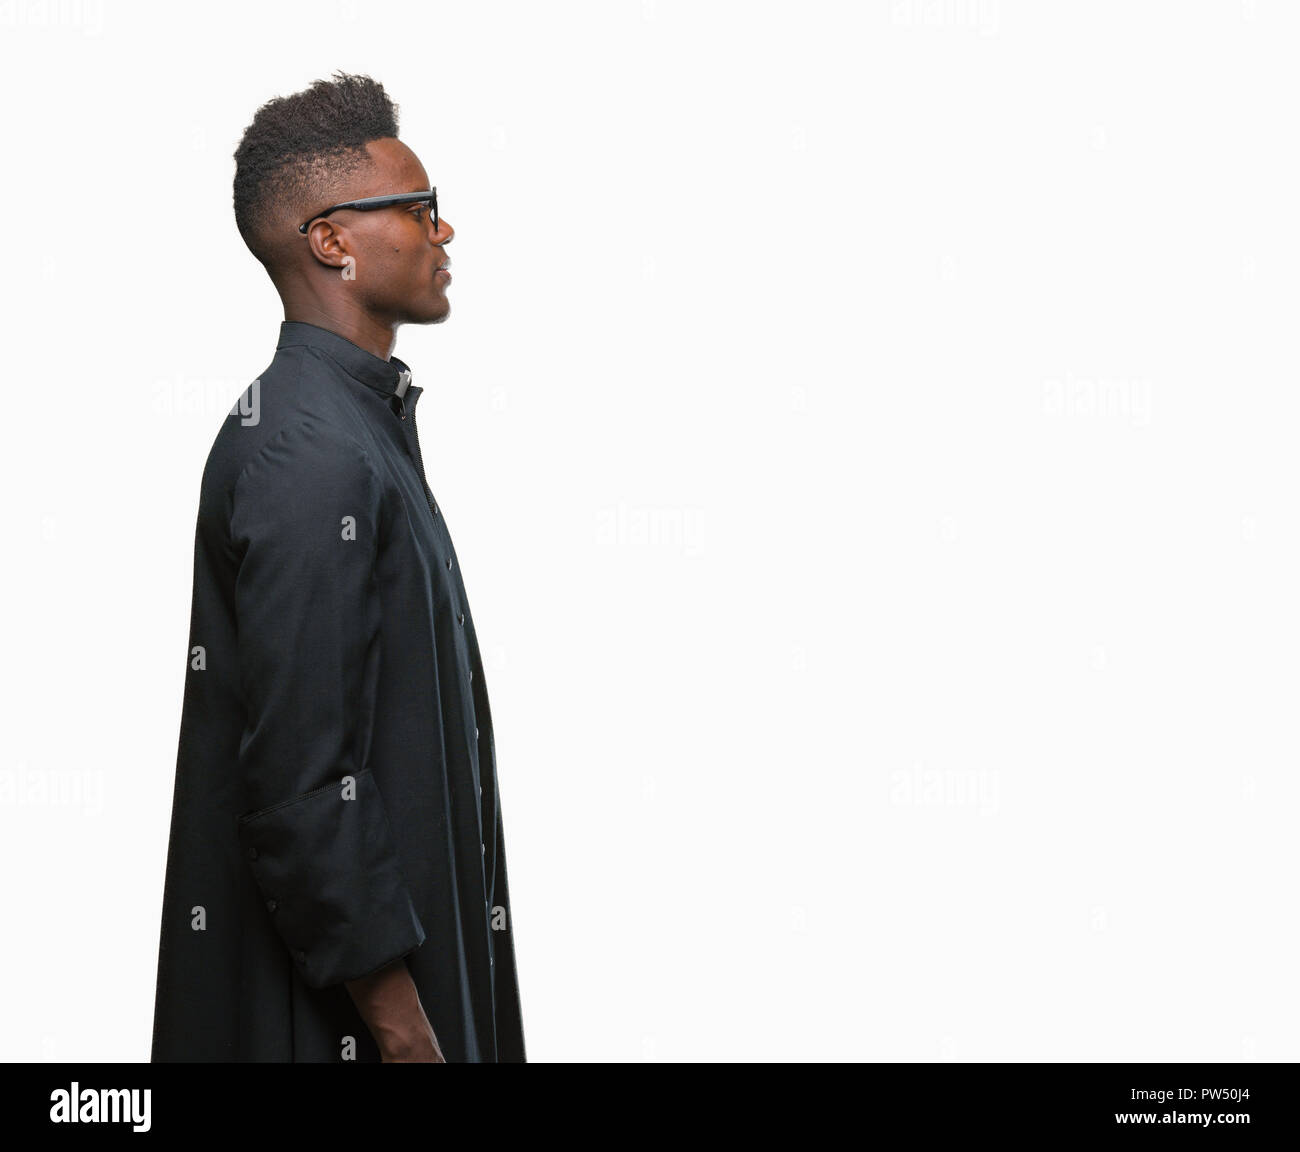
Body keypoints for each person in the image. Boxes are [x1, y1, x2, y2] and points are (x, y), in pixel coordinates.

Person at [150, 71, 526, 1063]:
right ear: (331, 240)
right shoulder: (309, 453)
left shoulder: (354, 427)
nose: (443, 234)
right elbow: (304, 784)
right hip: (361, 1029)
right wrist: (406, 1035)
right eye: (420, 209)